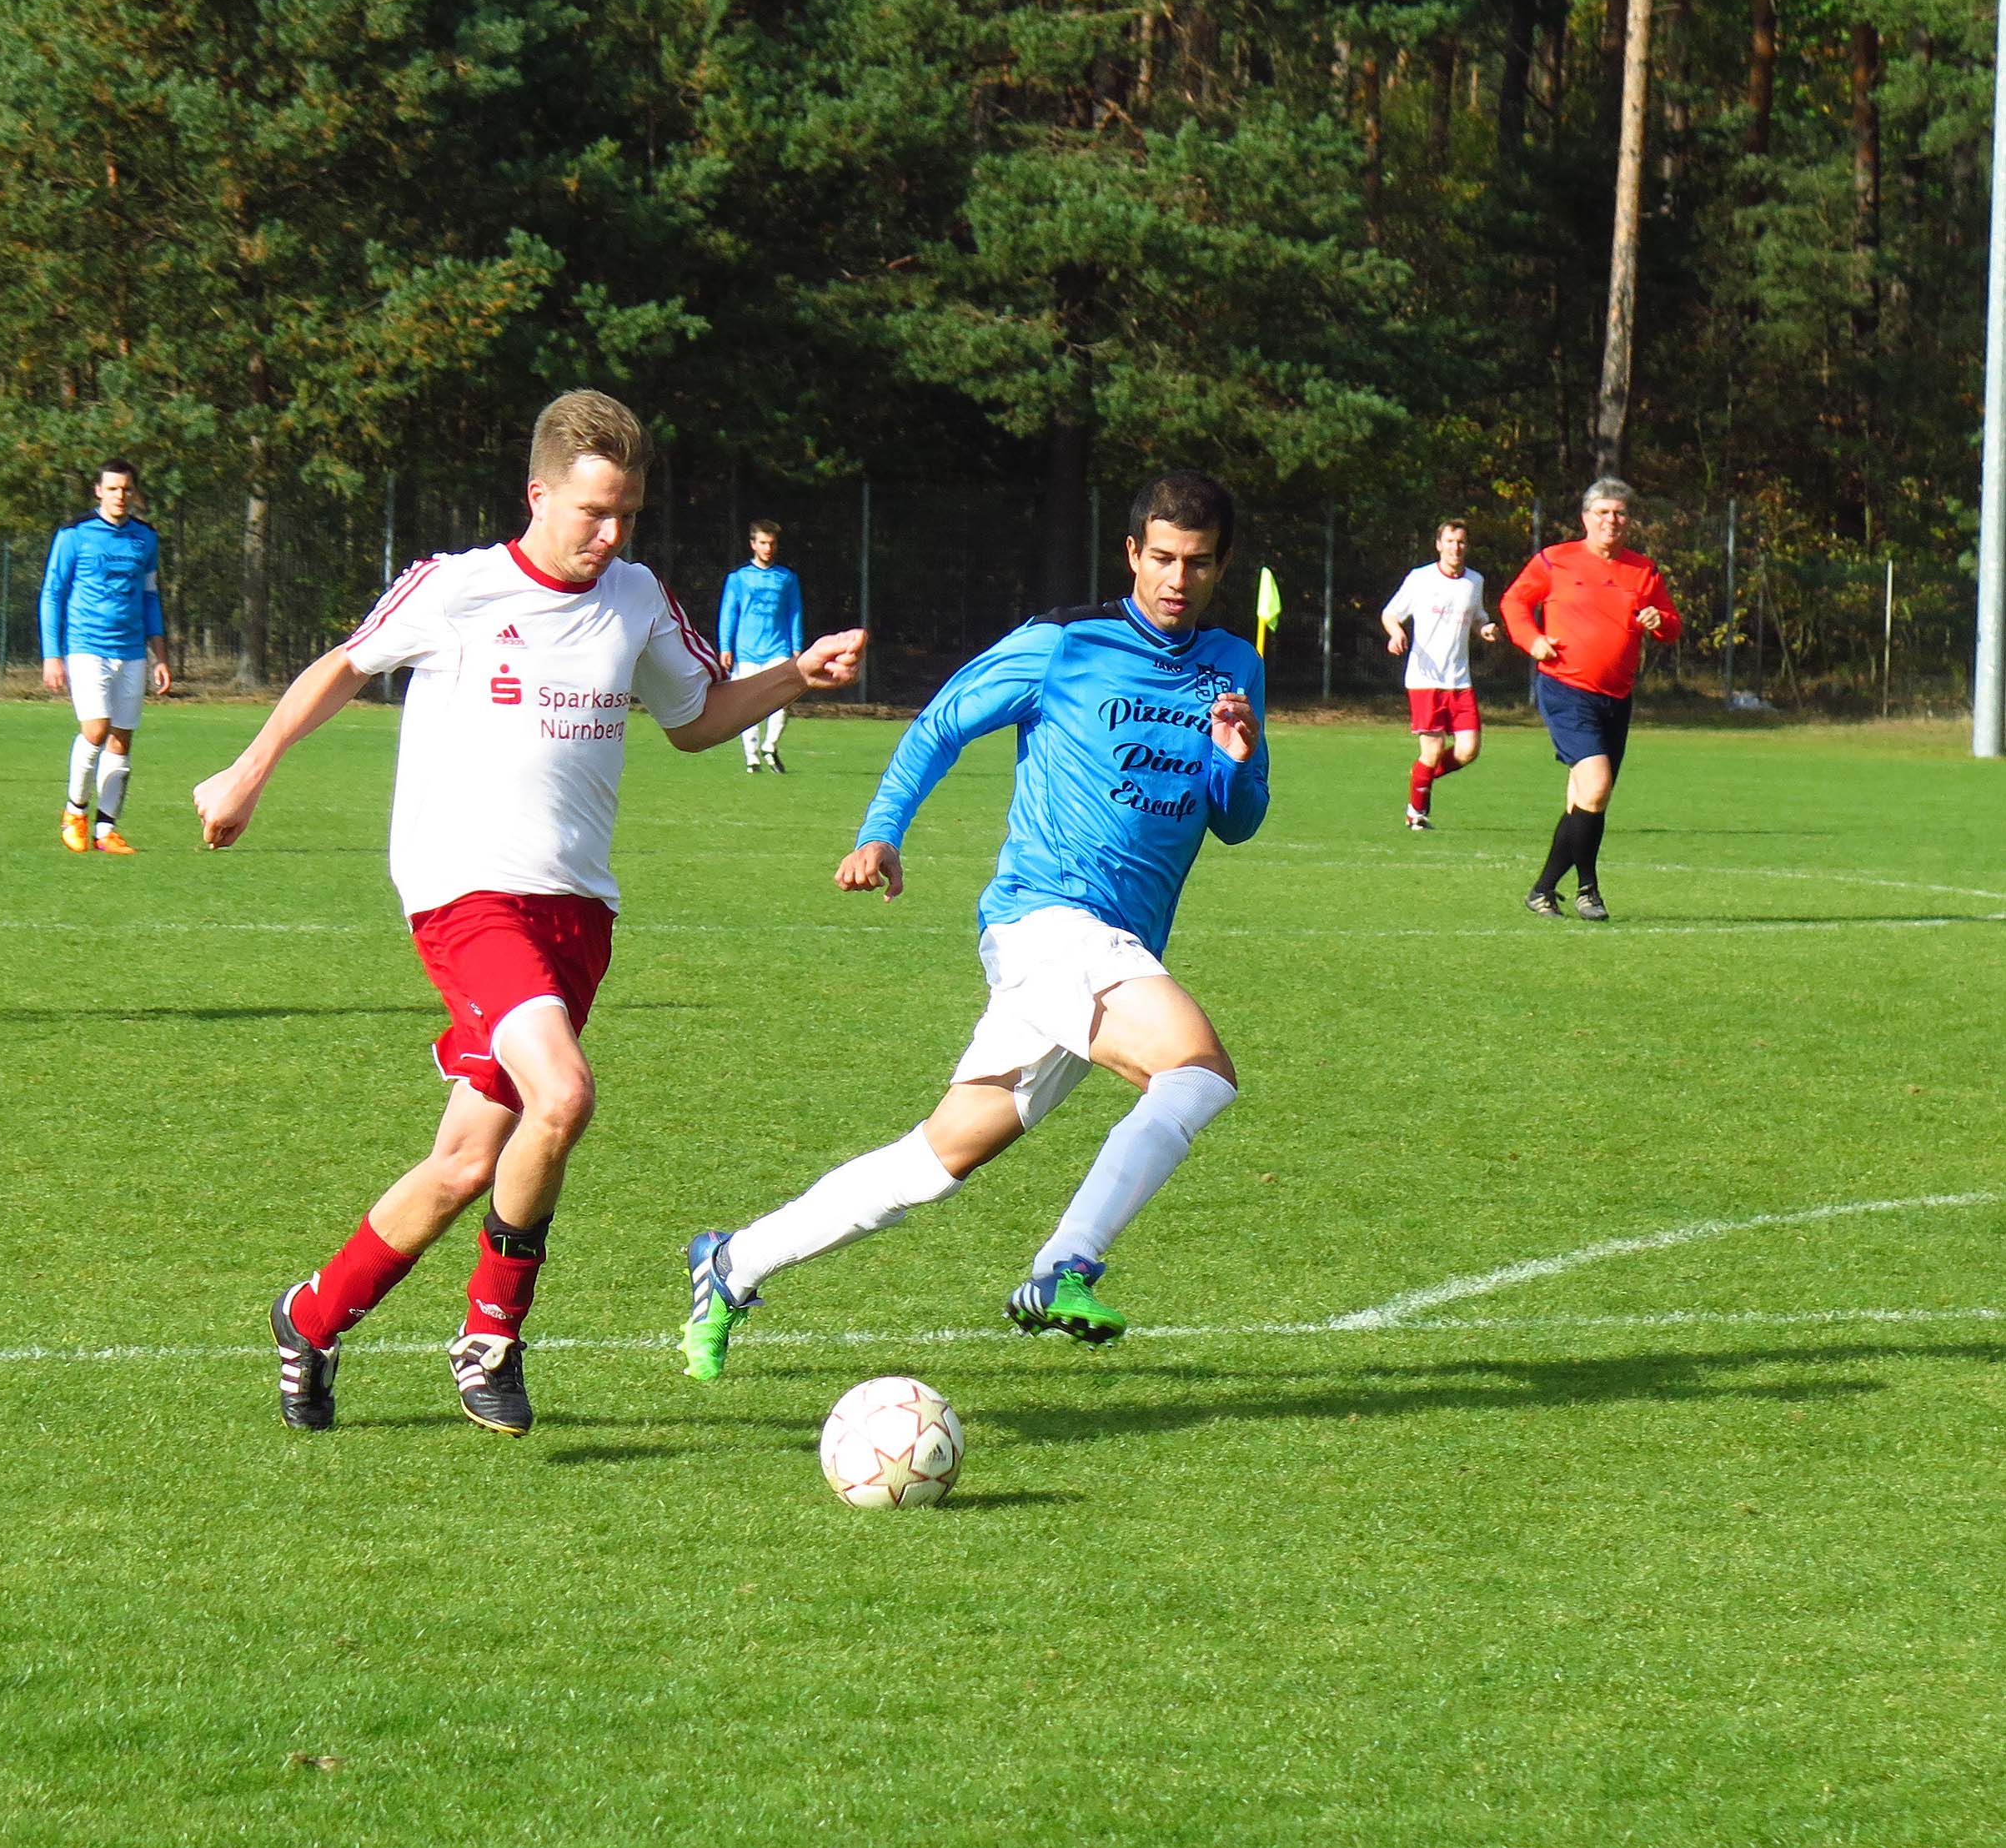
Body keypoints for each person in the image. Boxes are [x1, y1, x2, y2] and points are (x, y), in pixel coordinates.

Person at [191, 390, 865, 1438]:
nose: (611, 535)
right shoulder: (459, 588)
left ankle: (309, 1318)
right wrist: (247, 771)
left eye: (628, 514)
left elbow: (693, 721)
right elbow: (339, 667)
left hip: (577, 914)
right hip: (464, 897)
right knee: (563, 1096)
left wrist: (794, 677)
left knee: (468, 1161)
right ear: (538, 493)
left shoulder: (637, 596)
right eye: (594, 511)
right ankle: (493, 1335)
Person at [680, 469, 1268, 1381]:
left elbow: (1237, 818)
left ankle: (731, 1264)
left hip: (1115, 948)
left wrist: (1236, 758)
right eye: (1160, 559)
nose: (1176, 580)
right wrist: (881, 830)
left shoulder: (1235, 665)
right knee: (1196, 1074)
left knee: (935, 1158)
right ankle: (1062, 1265)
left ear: (1221, 565)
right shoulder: (1066, 643)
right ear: (1131, 554)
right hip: (1048, 922)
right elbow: (942, 723)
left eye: (1196, 563)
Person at [1499, 477, 1679, 921]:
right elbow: (1514, 603)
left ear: (1629, 521)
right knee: (1596, 785)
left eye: (1619, 513)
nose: (1611, 521)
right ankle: (1569, 890)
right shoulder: (1555, 560)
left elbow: (1671, 625)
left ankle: (1563, 889)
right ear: (1586, 518)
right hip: (1565, 688)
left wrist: (1661, 621)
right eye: (1602, 512)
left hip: (1617, 697)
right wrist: (1532, 639)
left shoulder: (1643, 570)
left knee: (1586, 799)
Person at [40, 458, 170, 854]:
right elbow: (53, 594)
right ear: (99, 491)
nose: (120, 496)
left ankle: (105, 830)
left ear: (134, 493)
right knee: (96, 730)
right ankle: (74, 812)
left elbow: (150, 598)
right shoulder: (74, 535)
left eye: (126, 489)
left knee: (121, 741)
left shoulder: (145, 539)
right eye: (112, 489)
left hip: (131, 652)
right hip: (86, 647)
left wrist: (160, 656)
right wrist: (52, 654)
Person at [1379, 518, 1497, 829]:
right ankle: (1416, 813)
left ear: (1466, 546)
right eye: (1449, 541)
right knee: (1431, 752)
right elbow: (1391, 613)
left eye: (1460, 542)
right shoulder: (1421, 579)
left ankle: (1421, 777)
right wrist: (1395, 633)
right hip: (1425, 680)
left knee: (1468, 750)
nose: (1455, 548)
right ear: (1438, 545)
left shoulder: (1475, 581)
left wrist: (1485, 627)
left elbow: (1479, 615)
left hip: (1460, 680)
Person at [715, 519, 805, 772]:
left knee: (782, 700)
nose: (768, 548)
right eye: (763, 543)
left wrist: (797, 646)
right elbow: (728, 613)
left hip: (779, 649)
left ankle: (770, 746)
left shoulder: (787, 578)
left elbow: (794, 613)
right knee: (748, 705)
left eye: (772, 543)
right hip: (746, 652)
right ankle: (752, 757)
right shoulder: (738, 579)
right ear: (753, 544)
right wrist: (725, 647)